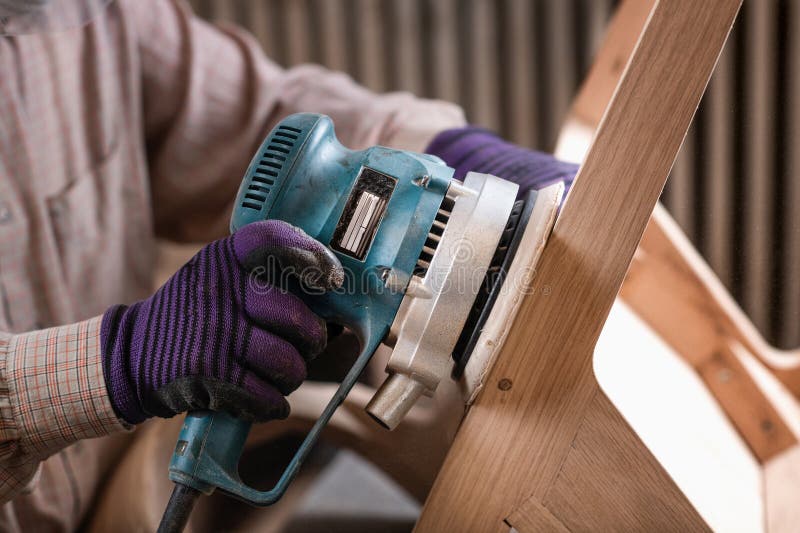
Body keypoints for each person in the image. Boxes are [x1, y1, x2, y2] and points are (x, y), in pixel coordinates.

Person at [0, 0, 578, 529]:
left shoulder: (85, 14)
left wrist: (460, 151)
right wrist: (117, 363)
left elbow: (258, 122)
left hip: (122, 477)